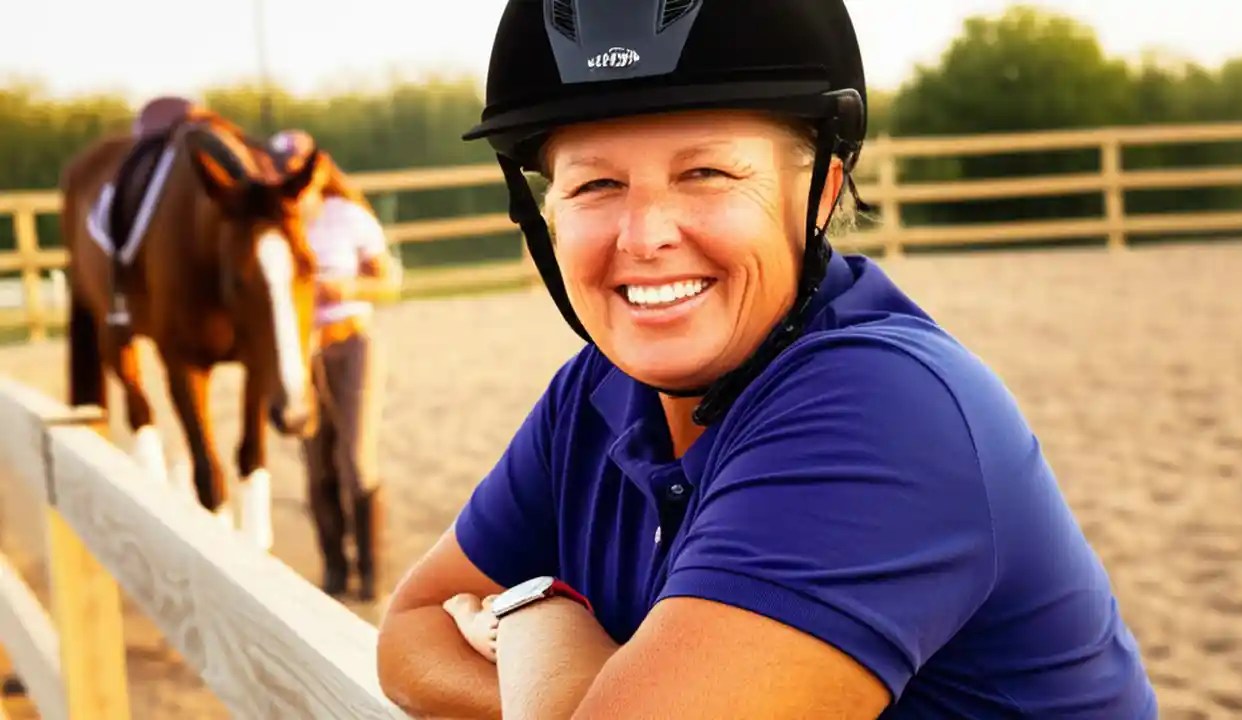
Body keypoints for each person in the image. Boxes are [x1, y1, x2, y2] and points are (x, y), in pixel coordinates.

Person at [376, 1, 1158, 718]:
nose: (644, 235)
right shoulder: (599, 393)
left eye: (706, 173)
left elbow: (462, 631)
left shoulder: (885, 409)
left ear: (819, 195)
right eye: (596, 184)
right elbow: (408, 633)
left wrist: (533, 611)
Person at [270, 129, 401, 602]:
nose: (292, 177)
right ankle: (334, 568)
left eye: (298, 167)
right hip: (300, 353)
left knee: (355, 458)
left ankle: (371, 571)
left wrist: (348, 290)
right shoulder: (272, 223)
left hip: (351, 345)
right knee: (315, 465)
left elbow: (388, 283)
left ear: (317, 168)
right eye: (281, 167)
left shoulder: (347, 217)